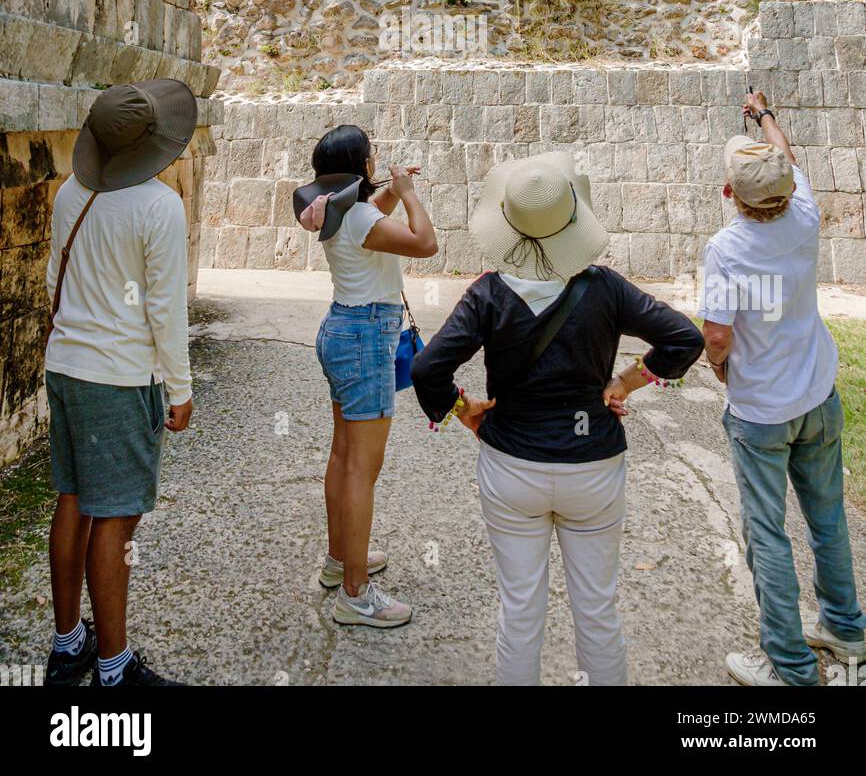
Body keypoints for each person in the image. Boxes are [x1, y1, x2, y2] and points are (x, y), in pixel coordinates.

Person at [411, 151, 704, 685]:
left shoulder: (488, 294)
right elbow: (685, 338)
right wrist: (626, 381)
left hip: (512, 465)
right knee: (597, 610)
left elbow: (428, 368)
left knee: (520, 610)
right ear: (573, 220)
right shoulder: (606, 287)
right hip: (592, 467)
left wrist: (463, 409)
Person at [701, 91, 866, 687]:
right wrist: (766, 115)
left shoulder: (725, 249)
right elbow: (787, 159)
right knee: (827, 518)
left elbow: (717, 333)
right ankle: (846, 629)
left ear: (729, 194)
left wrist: (719, 366)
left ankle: (791, 666)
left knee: (767, 534)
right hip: (817, 394)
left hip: (761, 411)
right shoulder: (805, 216)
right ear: (790, 188)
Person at [42, 80, 197, 688]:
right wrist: (180, 389)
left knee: (73, 498)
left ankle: (68, 644)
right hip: (118, 376)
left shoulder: (70, 193)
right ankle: (113, 668)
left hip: (66, 365)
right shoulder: (159, 207)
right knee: (116, 517)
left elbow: (54, 277)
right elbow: (165, 309)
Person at [296, 125, 437, 628]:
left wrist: (392, 191)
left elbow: (372, 213)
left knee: (343, 455)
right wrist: (411, 194)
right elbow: (425, 243)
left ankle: (341, 560)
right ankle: (356, 594)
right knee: (363, 467)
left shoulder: (338, 210)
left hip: (342, 329)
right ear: (361, 164)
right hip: (365, 337)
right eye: (371, 155)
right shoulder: (357, 217)